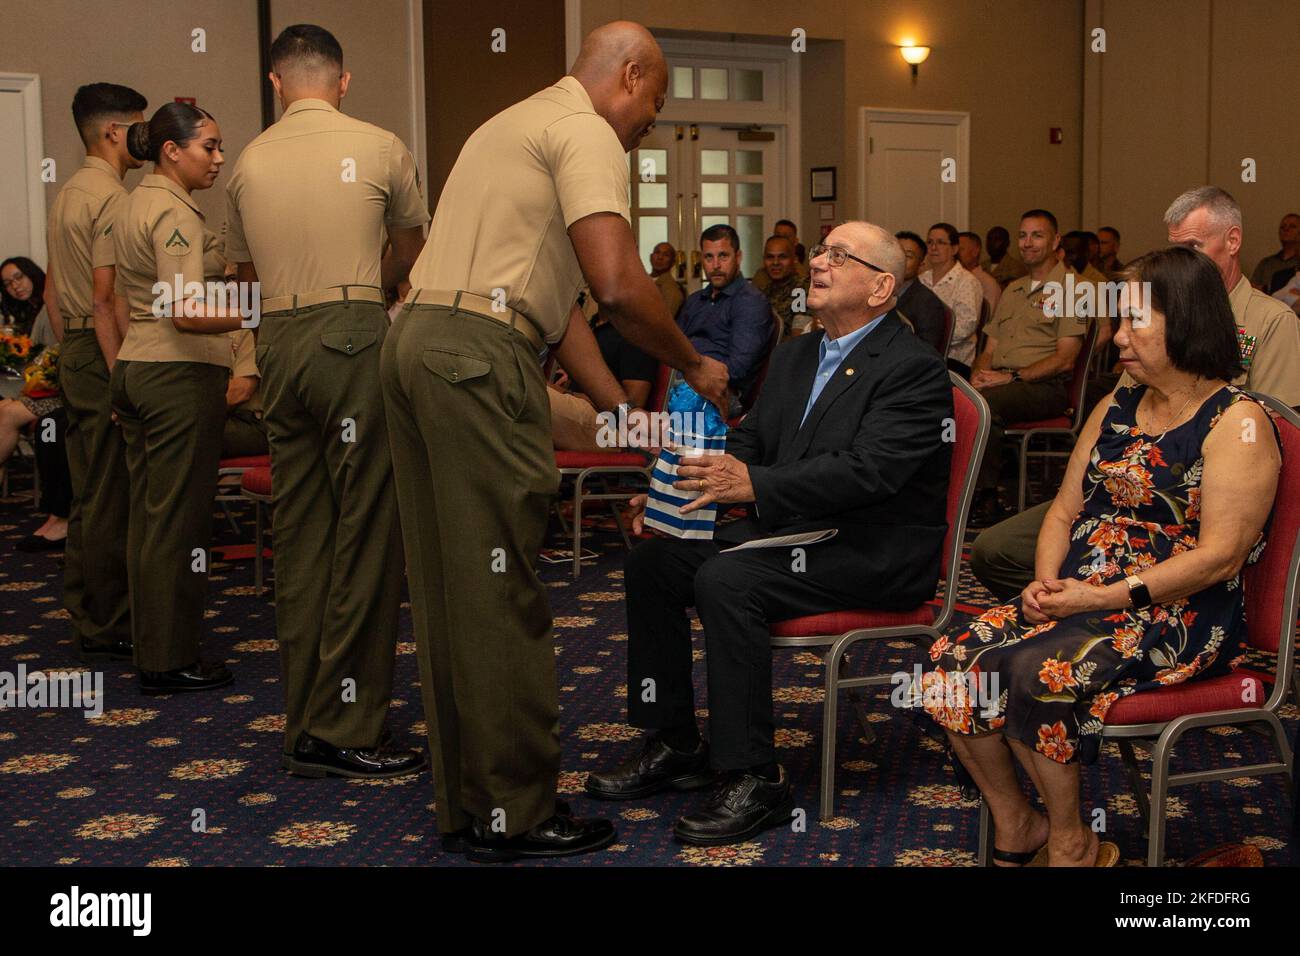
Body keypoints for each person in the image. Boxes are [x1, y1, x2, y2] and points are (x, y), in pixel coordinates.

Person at [380, 20, 728, 863]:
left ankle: (472, 806)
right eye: (656, 101)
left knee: (448, 588)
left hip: (413, 344)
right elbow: (617, 286)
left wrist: (623, 416)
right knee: (502, 593)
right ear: (632, 73)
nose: (651, 121)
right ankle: (518, 813)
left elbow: (561, 306)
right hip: (475, 356)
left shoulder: (509, 123)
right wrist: (692, 364)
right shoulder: (587, 133)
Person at [585, 222, 953, 845]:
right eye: (822, 251)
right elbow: (751, 443)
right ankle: (675, 741)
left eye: (840, 255)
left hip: (870, 546)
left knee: (727, 579)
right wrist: (676, 492)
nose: (819, 262)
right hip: (791, 532)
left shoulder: (913, 368)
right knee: (654, 564)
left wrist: (755, 486)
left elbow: (870, 473)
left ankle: (756, 776)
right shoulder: (798, 352)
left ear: (882, 286)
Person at [924, 246, 1280, 867]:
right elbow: (1063, 510)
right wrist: (1042, 583)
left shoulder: (1238, 424)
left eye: (1134, 321)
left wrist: (1102, 596)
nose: (1117, 337)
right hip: (1081, 591)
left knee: (1040, 673)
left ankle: (1072, 841)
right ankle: (1017, 822)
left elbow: (1221, 558)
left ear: (1189, 322)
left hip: (1177, 611)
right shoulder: (1118, 404)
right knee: (953, 662)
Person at [224, 24, 429, 778]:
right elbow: (413, 254)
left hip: (276, 338)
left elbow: (244, 273)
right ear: (343, 81)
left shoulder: (245, 162)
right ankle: (348, 725)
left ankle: (306, 721)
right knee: (370, 530)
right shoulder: (378, 145)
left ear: (276, 84)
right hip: (349, 330)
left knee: (301, 532)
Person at [972, 186, 1300, 601]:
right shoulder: (1151, 312)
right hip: (1122, 479)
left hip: (1196, 491)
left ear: (1232, 241)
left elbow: (1278, 431)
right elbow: (1126, 409)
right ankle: (1075, 606)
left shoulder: (1270, 320)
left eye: (1195, 247)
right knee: (996, 551)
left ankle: (1108, 608)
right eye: (1176, 248)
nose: (1184, 261)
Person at [109, 102, 246, 693]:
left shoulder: (136, 200)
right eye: (209, 147)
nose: (218, 158)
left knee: (149, 521)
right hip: (177, 375)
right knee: (180, 526)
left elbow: (124, 297)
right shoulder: (173, 213)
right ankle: (169, 661)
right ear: (172, 150)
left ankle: (154, 647)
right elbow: (187, 312)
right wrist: (257, 312)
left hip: (138, 364)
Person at [46, 82, 146, 663]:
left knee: (89, 492)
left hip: (78, 345)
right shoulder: (112, 198)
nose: (144, 136)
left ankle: (87, 612)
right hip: (105, 347)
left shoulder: (67, 193)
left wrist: (73, 350)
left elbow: (56, 291)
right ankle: (110, 621)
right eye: (137, 125)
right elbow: (117, 299)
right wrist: (123, 374)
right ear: (113, 132)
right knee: (113, 493)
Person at [969, 209, 1084, 523]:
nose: (1027, 242)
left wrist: (1008, 378)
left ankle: (986, 498)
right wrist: (978, 376)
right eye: (1022, 235)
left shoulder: (1072, 290)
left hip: (1044, 387)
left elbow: (1065, 358)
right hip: (1002, 382)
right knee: (950, 397)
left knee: (983, 406)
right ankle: (949, 493)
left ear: (1055, 240)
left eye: (1037, 235)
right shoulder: (1013, 289)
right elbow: (989, 348)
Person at [0, 257, 70, 551]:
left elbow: (55, 363)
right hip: (42, 391)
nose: (15, 286)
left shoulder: (51, 308)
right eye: (7, 284)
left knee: (6, 414)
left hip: (57, 395)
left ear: (32, 274)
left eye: (19, 278)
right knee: (4, 409)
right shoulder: (28, 313)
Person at [678, 223, 773, 412]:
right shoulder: (695, 301)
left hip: (723, 392)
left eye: (723, 256)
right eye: (708, 257)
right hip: (684, 379)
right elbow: (673, 345)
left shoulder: (751, 302)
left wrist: (692, 368)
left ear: (738, 257)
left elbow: (737, 369)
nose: (716, 265)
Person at [920, 222, 982, 375]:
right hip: (922, 354)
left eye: (940, 242)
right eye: (930, 242)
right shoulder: (921, 279)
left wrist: (926, 340)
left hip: (953, 361)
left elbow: (965, 327)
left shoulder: (966, 282)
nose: (934, 247)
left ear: (954, 249)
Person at [893, 230, 947, 355]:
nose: (900, 260)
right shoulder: (875, 291)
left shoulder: (928, 303)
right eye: (896, 253)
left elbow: (924, 352)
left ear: (921, 264)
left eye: (908, 256)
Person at [222, 330, 267, 458]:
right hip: (221, 416)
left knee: (187, 436)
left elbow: (241, 391)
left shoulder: (247, 325)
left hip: (252, 420)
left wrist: (191, 414)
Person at [759, 234, 810, 337]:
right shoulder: (762, 293)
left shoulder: (801, 289)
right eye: (770, 257)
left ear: (794, 259)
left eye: (782, 257)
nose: (775, 262)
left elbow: (798, 338)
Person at [750, 219, 806, 292]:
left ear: (795, 241)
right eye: (777, 236)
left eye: (786, 237)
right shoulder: (761, 276)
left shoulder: (801, 277)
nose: (775, 262)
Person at [1250, 212, 1300, 290]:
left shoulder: (1298, 262)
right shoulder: (1266, 263)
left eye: (1292, 226)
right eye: (1283, 227)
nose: (1286, 229)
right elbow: (1252, 289)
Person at [957, 231, 1001, 316]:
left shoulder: (988, 284)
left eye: (961, 249)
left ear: (975, 252)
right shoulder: (950, 279)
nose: (956, 254)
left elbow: (989, 321)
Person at [648, 241, 684, 318]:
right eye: (657, 253)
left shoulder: (672, 289)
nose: (660, 257)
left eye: (666, 255)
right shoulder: (641, 280)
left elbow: (665, 320)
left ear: (673, 262)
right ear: (651, 257)